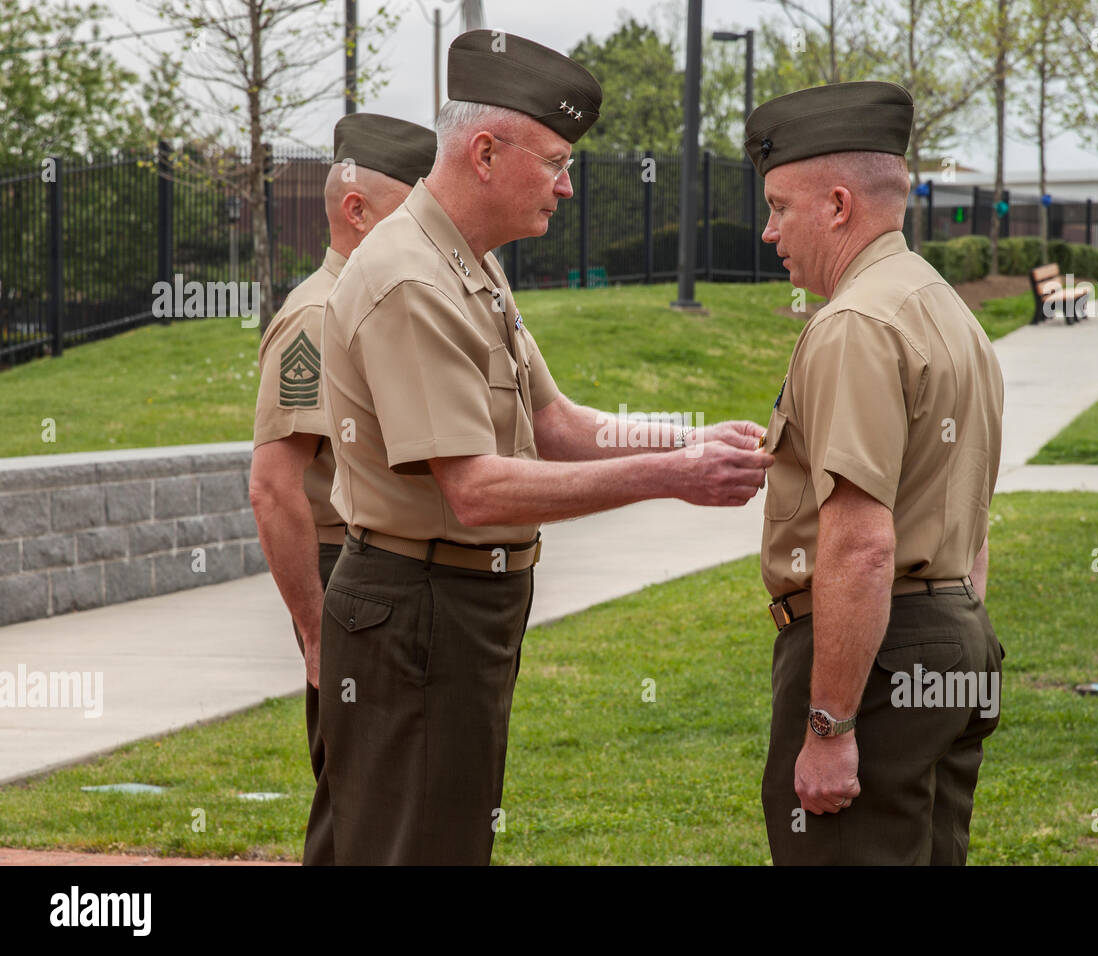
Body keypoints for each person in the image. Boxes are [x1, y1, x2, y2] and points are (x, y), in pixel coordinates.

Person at [317, 29, 772, 866]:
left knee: (429, 840)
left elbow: (553, 421)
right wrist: (671, 475)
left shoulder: (467, 262)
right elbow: (477, 492)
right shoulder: (413, 277)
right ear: (485, 151)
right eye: (556, 161)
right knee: (412, 847)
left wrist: (688, 438)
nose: (567, 186)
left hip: (452, 606)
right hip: (419, 605)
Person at [743, 81, 1006, 865]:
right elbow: (973, 510)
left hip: (879, 655)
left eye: (779, 208)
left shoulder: (856, 323)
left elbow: (860, 544)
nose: (767, 232)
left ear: (835, 204)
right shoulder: (945, 308)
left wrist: (830, 727)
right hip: (953, 632)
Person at [249, 113, 438, 866]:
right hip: (346, 574)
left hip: (387, 577)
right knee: (359, 800)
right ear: (355, 209)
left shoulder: (380, 302)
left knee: (395, 800)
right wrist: (315, 632)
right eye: (411, 208)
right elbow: (273, 487)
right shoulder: (318, 317)